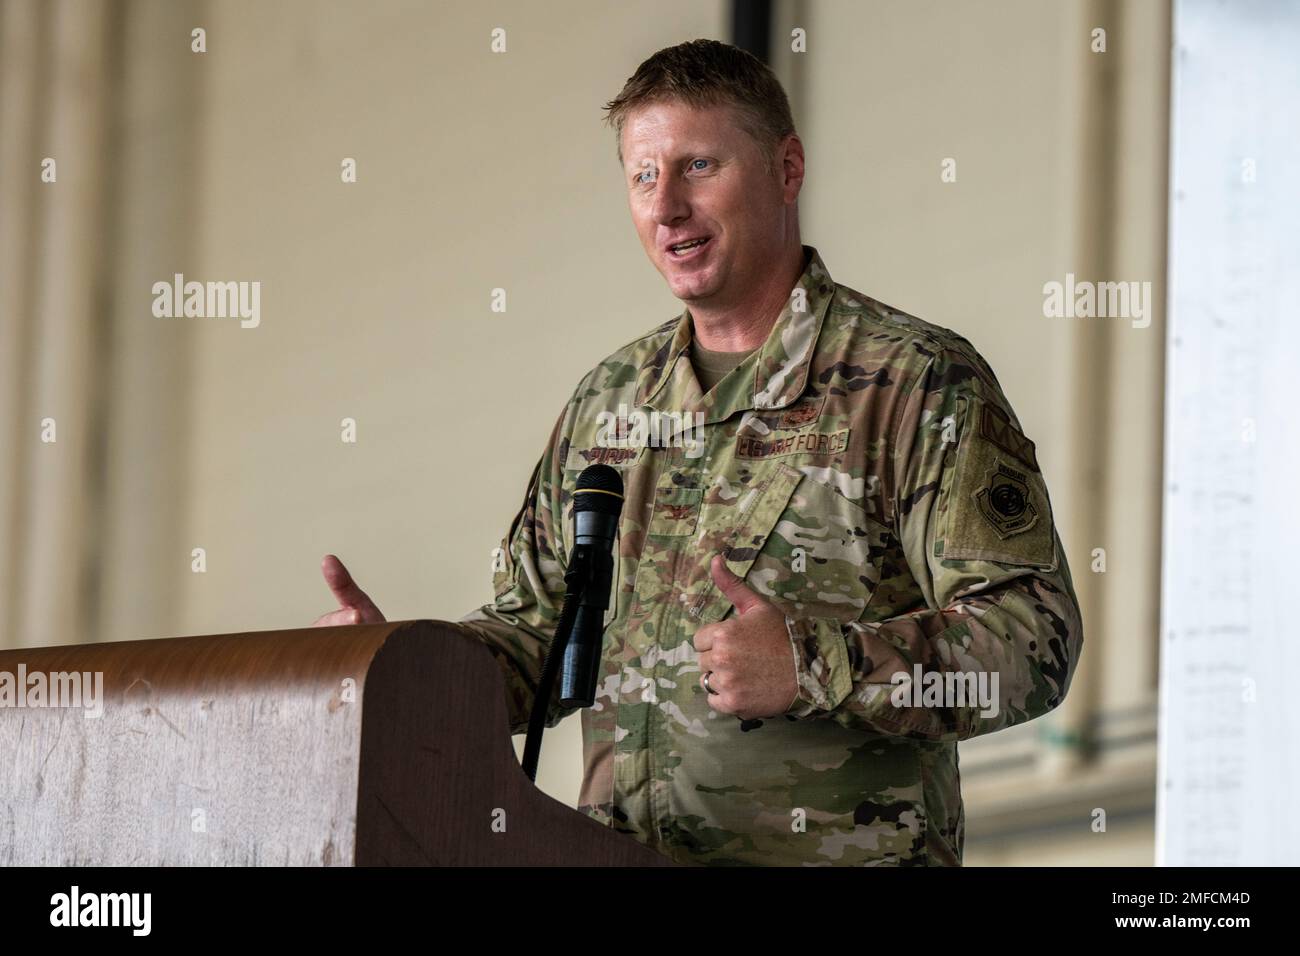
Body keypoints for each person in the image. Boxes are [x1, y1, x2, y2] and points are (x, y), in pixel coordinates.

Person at [313, 38, 1084, 866]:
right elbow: (538, 634)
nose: (666, 207)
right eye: (643, 176)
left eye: (698, 166)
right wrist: (393, 672)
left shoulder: (911, 382)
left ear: (787, 169)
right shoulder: (608, 403)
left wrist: (816, 663)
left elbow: (1031, 637)